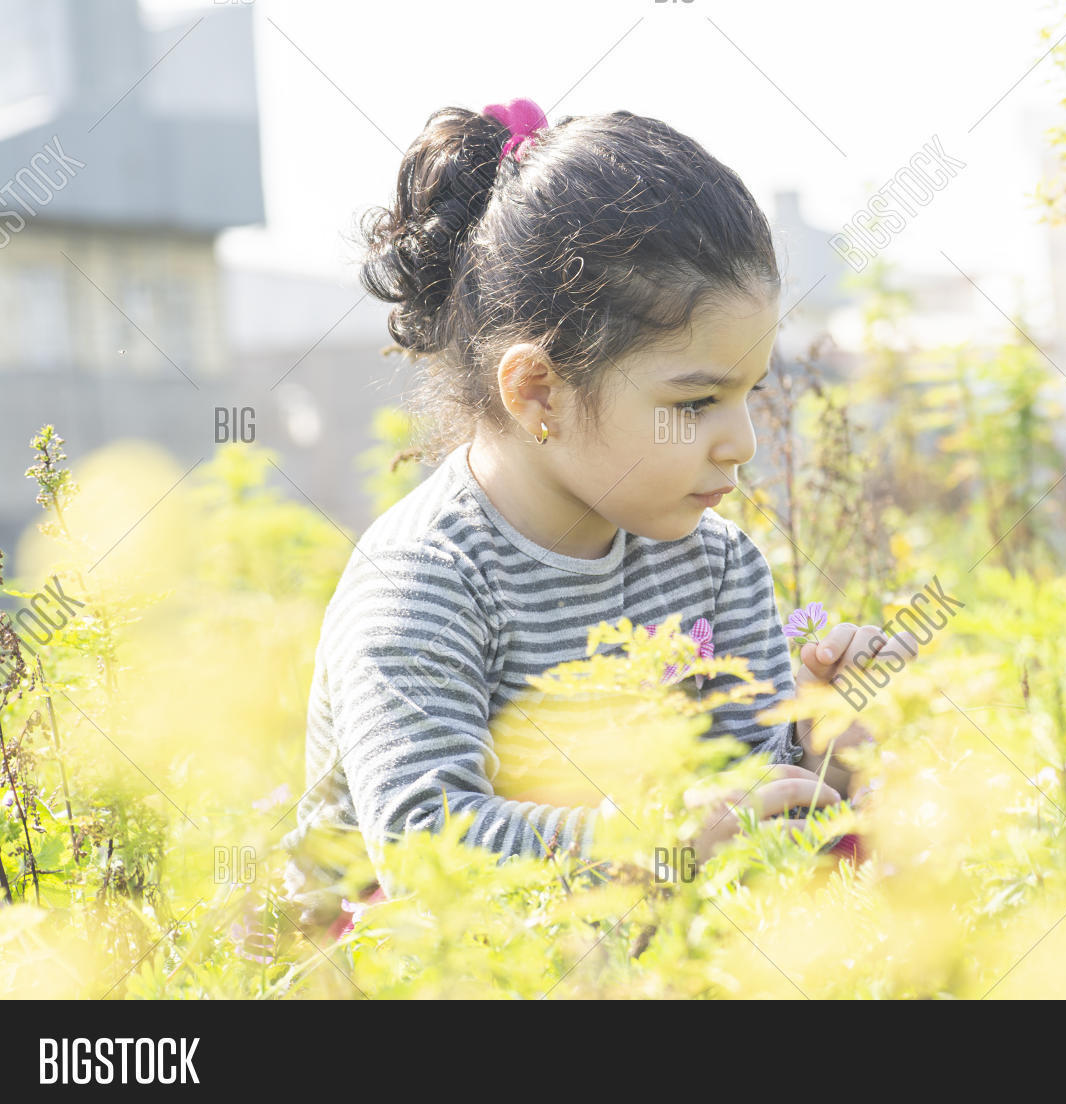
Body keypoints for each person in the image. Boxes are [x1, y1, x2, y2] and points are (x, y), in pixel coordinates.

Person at [278, 99, 910, 933]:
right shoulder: (427, 579)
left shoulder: (717, 565)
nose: (742, 444)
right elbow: (426, 848)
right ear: (539, 390)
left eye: (750, 393)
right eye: (696, 402)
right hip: (426, 958)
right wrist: (660, 842)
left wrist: (823, 745)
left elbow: (749, 815)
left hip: (624, 938)